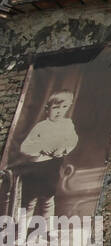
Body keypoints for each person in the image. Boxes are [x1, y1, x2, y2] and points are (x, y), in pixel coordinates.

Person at [14, 91, 79, 223]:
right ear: (47, 109)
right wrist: (40, 148)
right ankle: (20, 235)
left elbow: (73, 140)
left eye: (64, 107)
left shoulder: (67, 124)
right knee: (29, 202)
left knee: (48, 199)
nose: (59, 111)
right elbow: (24, 147)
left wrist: (63, 148)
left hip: (52, 167)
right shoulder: (41, 127)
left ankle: (47, 231)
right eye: (55, 108)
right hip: (36, 167)